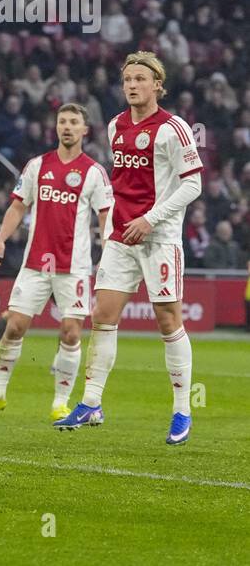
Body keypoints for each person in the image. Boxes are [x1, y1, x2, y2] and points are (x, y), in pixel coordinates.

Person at [55, 52, 202, 444]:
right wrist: (111, 225)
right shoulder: (116, 125)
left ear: (157, 84)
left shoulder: (175, 128)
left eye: (140, 78)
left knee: (168, 320)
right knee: (103, 314)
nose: (132, 85)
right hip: (121, 237)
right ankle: (90, 402)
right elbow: (120, 183)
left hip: (159, 237)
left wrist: (150, 219)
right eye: (127, 80)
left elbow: (193, 184)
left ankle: (182, 410)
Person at [0, 103, 113, 421]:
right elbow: (18, 206)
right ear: (56, 126)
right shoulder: (37, 166)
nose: (67, 127)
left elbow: (105, 216)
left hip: (73, 267)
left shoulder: (93, 172)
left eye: (74, 122)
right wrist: (1, 238)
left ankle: (60, 403)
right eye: (63, 121)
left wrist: (107, 254)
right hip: (35, 264)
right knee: (15, 326)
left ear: (85, 130)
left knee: (71, 333)